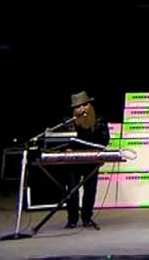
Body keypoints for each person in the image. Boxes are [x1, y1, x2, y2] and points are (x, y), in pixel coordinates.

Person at [63, 91, 110, 229]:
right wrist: (67, 149)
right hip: (73, 162)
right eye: (78, 106)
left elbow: (105, 139)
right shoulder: (68, 121)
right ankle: (72, 219)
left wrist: (98, 150)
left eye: (85, 105)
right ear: (74, 109)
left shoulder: (99, 119)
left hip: (91, 160)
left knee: (90, 191)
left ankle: (87, 218)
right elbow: (63, 141)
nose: (82, 108)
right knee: (72, 191)